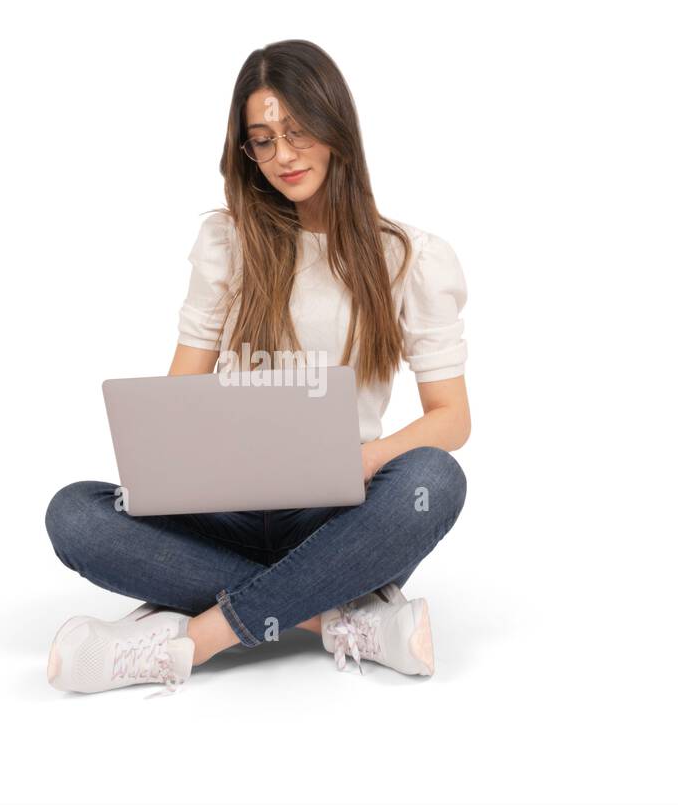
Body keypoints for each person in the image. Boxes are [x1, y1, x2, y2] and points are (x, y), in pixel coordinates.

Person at [44, 39, 470, 695]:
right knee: (74, 514)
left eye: (297, 132)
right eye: (263, 140)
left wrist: (368, 458)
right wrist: (168, 464)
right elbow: (180, 394)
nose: (283, 157)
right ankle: (336, 617)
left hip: (335, 513)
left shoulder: (410, 258)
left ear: (337, 129)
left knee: (434, 480)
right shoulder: (228, 242)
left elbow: (452, 419)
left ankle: (191, 640)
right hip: (226, 507)